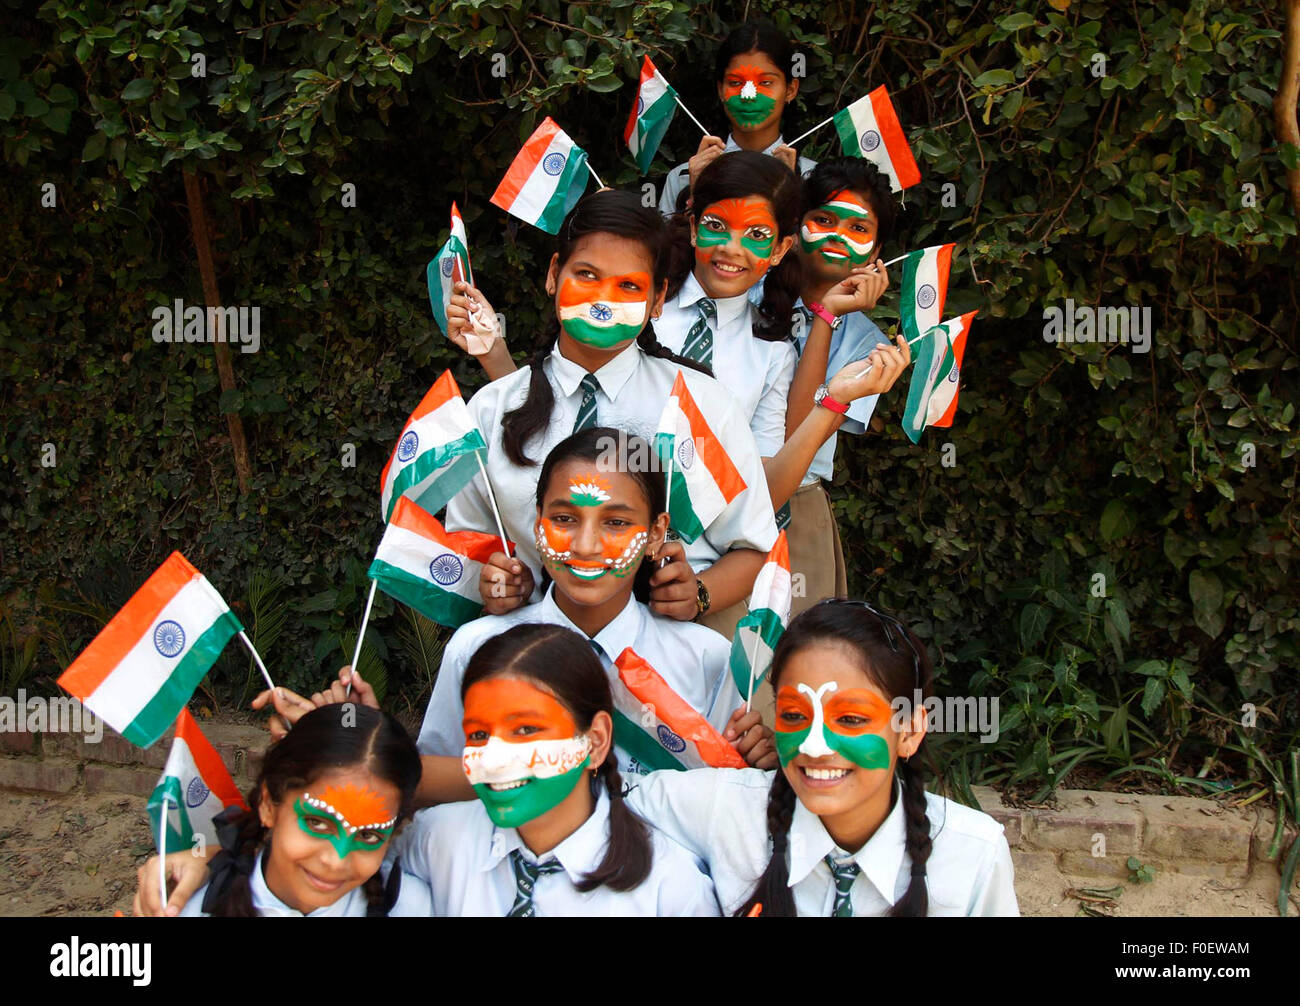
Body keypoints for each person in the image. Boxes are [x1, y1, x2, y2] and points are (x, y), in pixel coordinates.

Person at [439, 189, 778, 636]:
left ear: (658, 300)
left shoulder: (700, 406)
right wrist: (495, 580)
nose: (603, 301)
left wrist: (698, 593)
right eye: (587, 274)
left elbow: (756, 548)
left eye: (629, 286)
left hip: (666, 671)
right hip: (530, 664)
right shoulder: (491, 410)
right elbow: (464, 549)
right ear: (553, 274)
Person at [623, 599, 1020, 916]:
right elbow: (596, 809)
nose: (813, 746)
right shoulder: (723, 810)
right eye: (794, 716)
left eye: (849, 719)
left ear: (911, 730)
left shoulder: (972, 855)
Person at [418, 427, 776, 778]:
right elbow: (433, 781)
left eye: (616, 523)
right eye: (563, 519)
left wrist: (752, 767)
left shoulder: (707, 660)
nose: (586, 546)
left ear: (655, 533)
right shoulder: (476, 649)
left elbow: (722, 792)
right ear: (537, 522)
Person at [392, 623, 720, 915]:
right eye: (478, 734)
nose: (492, 759)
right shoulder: (435, 839)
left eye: (525, 730)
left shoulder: (670, 887)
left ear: (594, 740)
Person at [135, 704, 425, 917]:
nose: (336, 861)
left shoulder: (410, 907)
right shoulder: (191, 907)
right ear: (267, 804)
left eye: (370, 836)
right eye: (317, 822)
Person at [784, 157, 899, 614]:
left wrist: (828, 318)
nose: (836, 237)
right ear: (796, 224)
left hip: (796, 512)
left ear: (875, 254)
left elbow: (797, 437)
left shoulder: (870, 345)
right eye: (824, 220)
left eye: (857, 229)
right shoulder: (742, 293)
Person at [658, 19, 817, 215]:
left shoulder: (814, 180)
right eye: (735, 82)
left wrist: (791, 191)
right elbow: (667, 246)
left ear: (791, 90)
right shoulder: (683, 177)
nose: (748, 95)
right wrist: (696, 192)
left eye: (766, 82)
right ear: (720, 90)